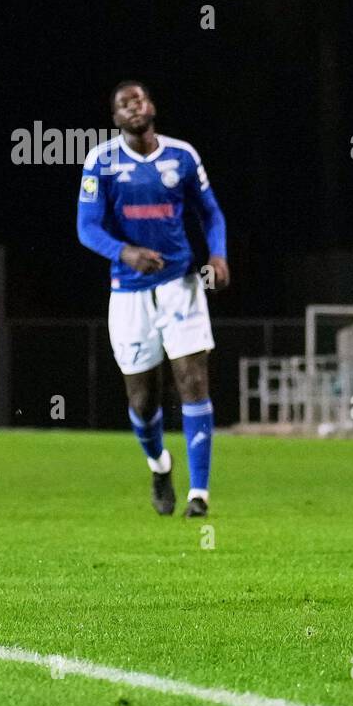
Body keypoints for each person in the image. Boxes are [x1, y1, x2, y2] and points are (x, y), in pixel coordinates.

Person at [76, 82, 229, 518]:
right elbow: (86, 228)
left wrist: (217, 254)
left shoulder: (183, 156)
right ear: (116, 119)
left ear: (151, 106)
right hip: (128, 293)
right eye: (123, 104)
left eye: (138, 99)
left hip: (181, 285)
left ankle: (199, 493)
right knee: (143, 400)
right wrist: (125, 252)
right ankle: (159, 465)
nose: (132, 107)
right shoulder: (101, 161)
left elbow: (210, 211)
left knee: (192, 379)